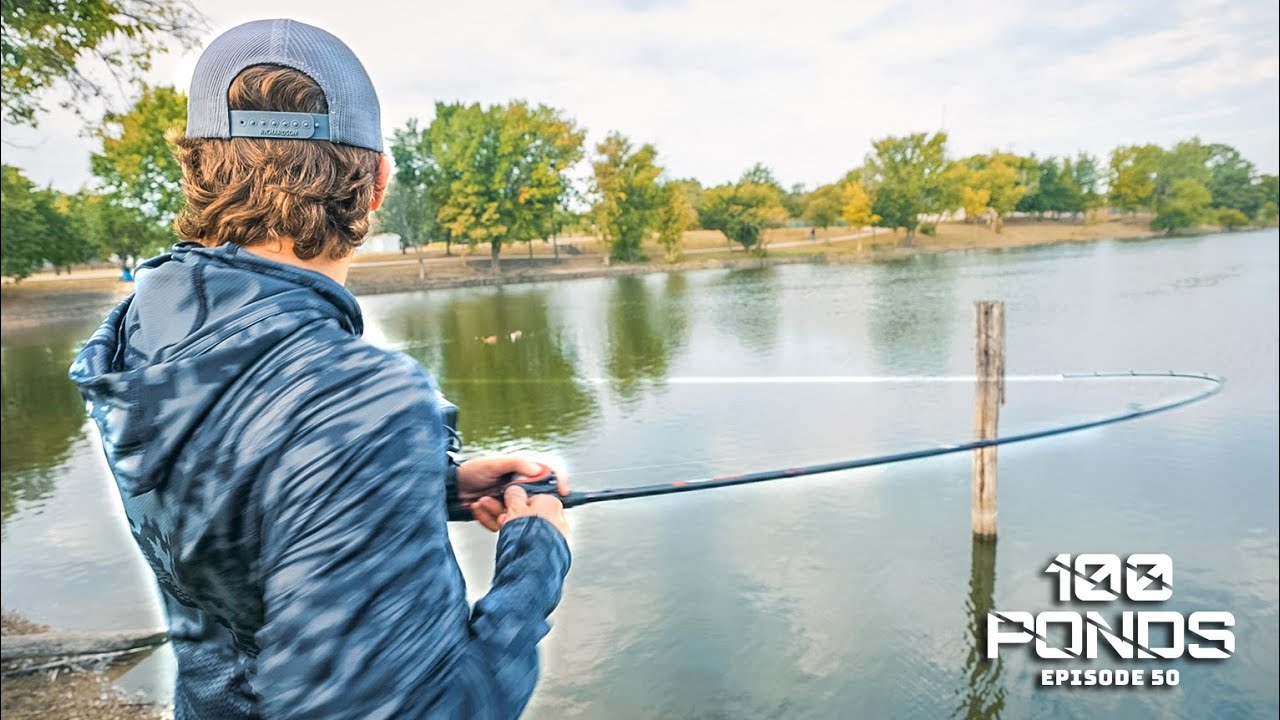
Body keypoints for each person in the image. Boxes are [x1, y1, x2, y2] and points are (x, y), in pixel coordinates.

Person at [69, 19, 571, 720]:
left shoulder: (140, 333)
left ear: (193, 169)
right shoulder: (360, 404)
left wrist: (425, 478)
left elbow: (237, 498)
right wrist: (536, 556)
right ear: (377, 185)